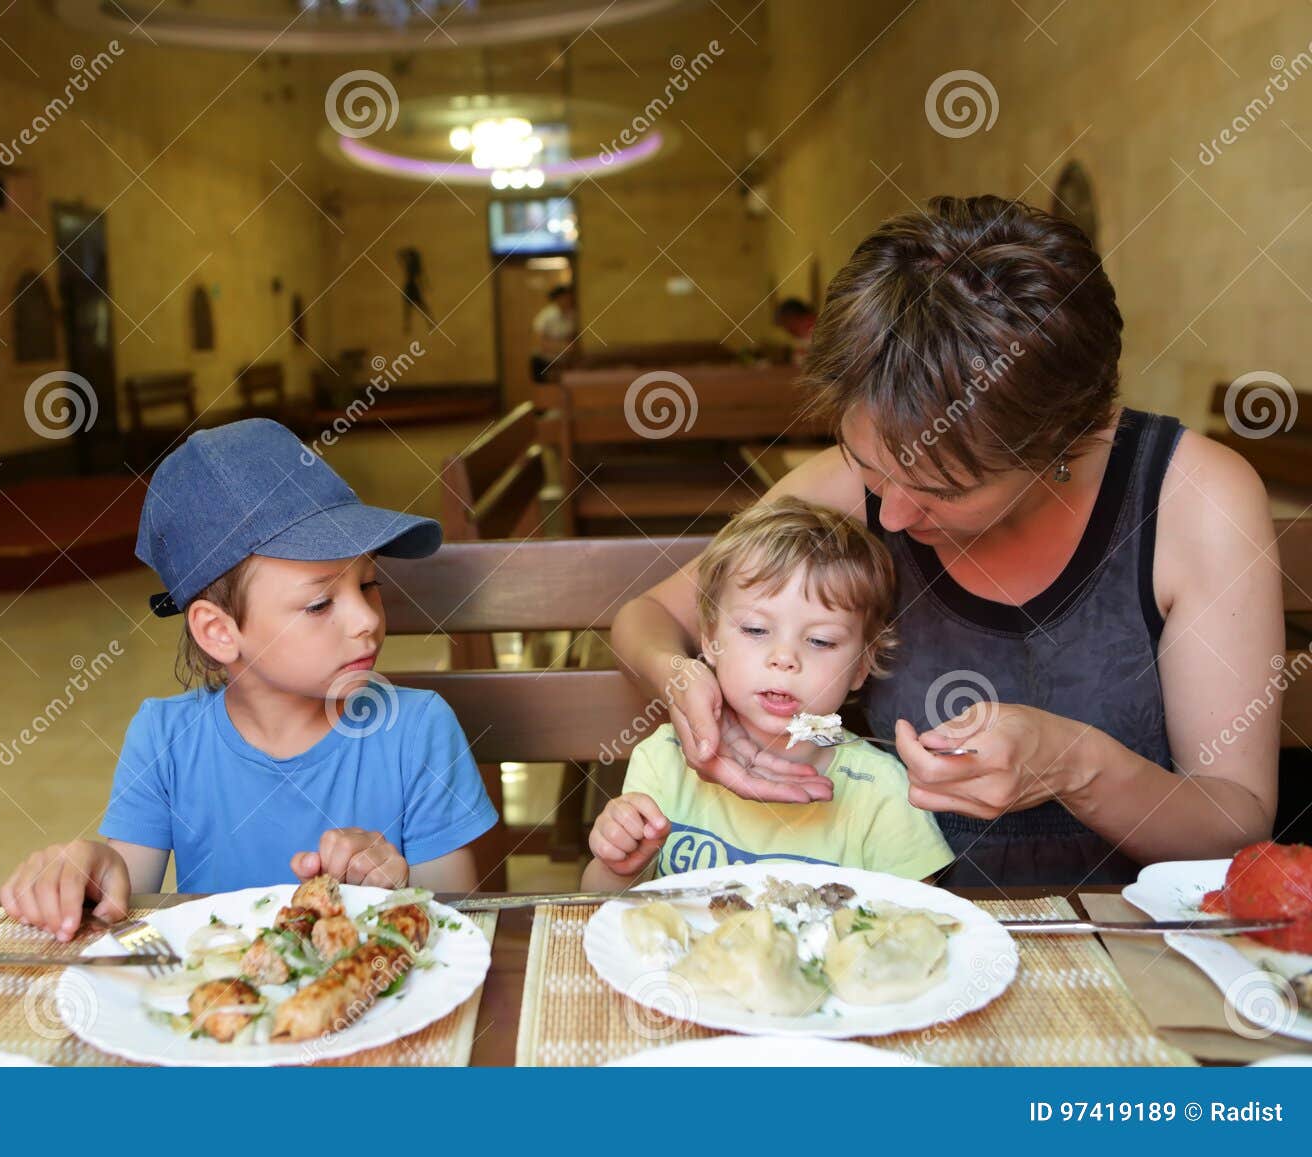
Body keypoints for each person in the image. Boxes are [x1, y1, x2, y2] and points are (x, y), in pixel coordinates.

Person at [609, 195, 1280, 886]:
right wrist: (681, 678)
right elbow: (648, 617)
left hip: (1122, 937)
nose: (891, 515)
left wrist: (1076, 764)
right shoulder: (865, 479)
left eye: (942, 489)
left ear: (1059, 441)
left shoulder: (1192, 500)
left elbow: (1237, 821)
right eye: (872, 468)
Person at [0, 420, 499, 939]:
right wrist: (90, 873)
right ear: (218, 632)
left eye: (369, 584)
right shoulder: (165, 740)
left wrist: (399, 884)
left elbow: (459, 919)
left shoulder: (417, 731)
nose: (366, 619)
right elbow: (125, 906)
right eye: (319, 603)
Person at [582, 499, 952, 889]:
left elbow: (916, 925)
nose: (784, 658)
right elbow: (600, 905)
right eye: (757, 630)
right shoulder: (663, 760)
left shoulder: (881, 792)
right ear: (709, 639)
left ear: (862, 665)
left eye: (821, 640)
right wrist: (618, 864)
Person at [530, 284, 577, 382]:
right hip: (545, 362)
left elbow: (572, 338)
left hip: (564, 362)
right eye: (564, 297)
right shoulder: (546, 315)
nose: (568, 300)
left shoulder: (572, 315)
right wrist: (562, 347)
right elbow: (539, 341)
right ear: (557, 299)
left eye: (569, 298)